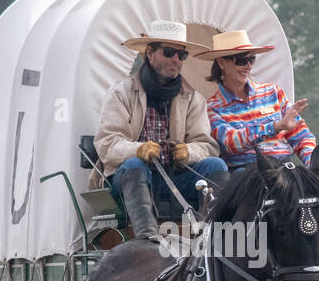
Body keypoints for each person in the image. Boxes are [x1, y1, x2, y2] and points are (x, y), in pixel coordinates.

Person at [93, 20, 229, 240]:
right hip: (133, 179)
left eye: (181, 55)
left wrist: (189, 152)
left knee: (217, 165)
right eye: (168, 52)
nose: (176, 59)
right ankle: (147, 238)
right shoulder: (121, 93)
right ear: (149, 53)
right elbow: (107, 145)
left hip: (176, 178)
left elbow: (207, 146)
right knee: (135, 165)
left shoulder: (193, 98)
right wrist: (138, 149)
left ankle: (218, 235)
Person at [197, 29, 316, 170]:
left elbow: (302, 136)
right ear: (222, 63)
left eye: (251, 59)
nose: (248, 66)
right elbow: (231, 142)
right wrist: (275, 127)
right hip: (246, 175)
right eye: (241, 60)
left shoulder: (273, 92)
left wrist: (314, 167)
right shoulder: (211, 107)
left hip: (284, 170)